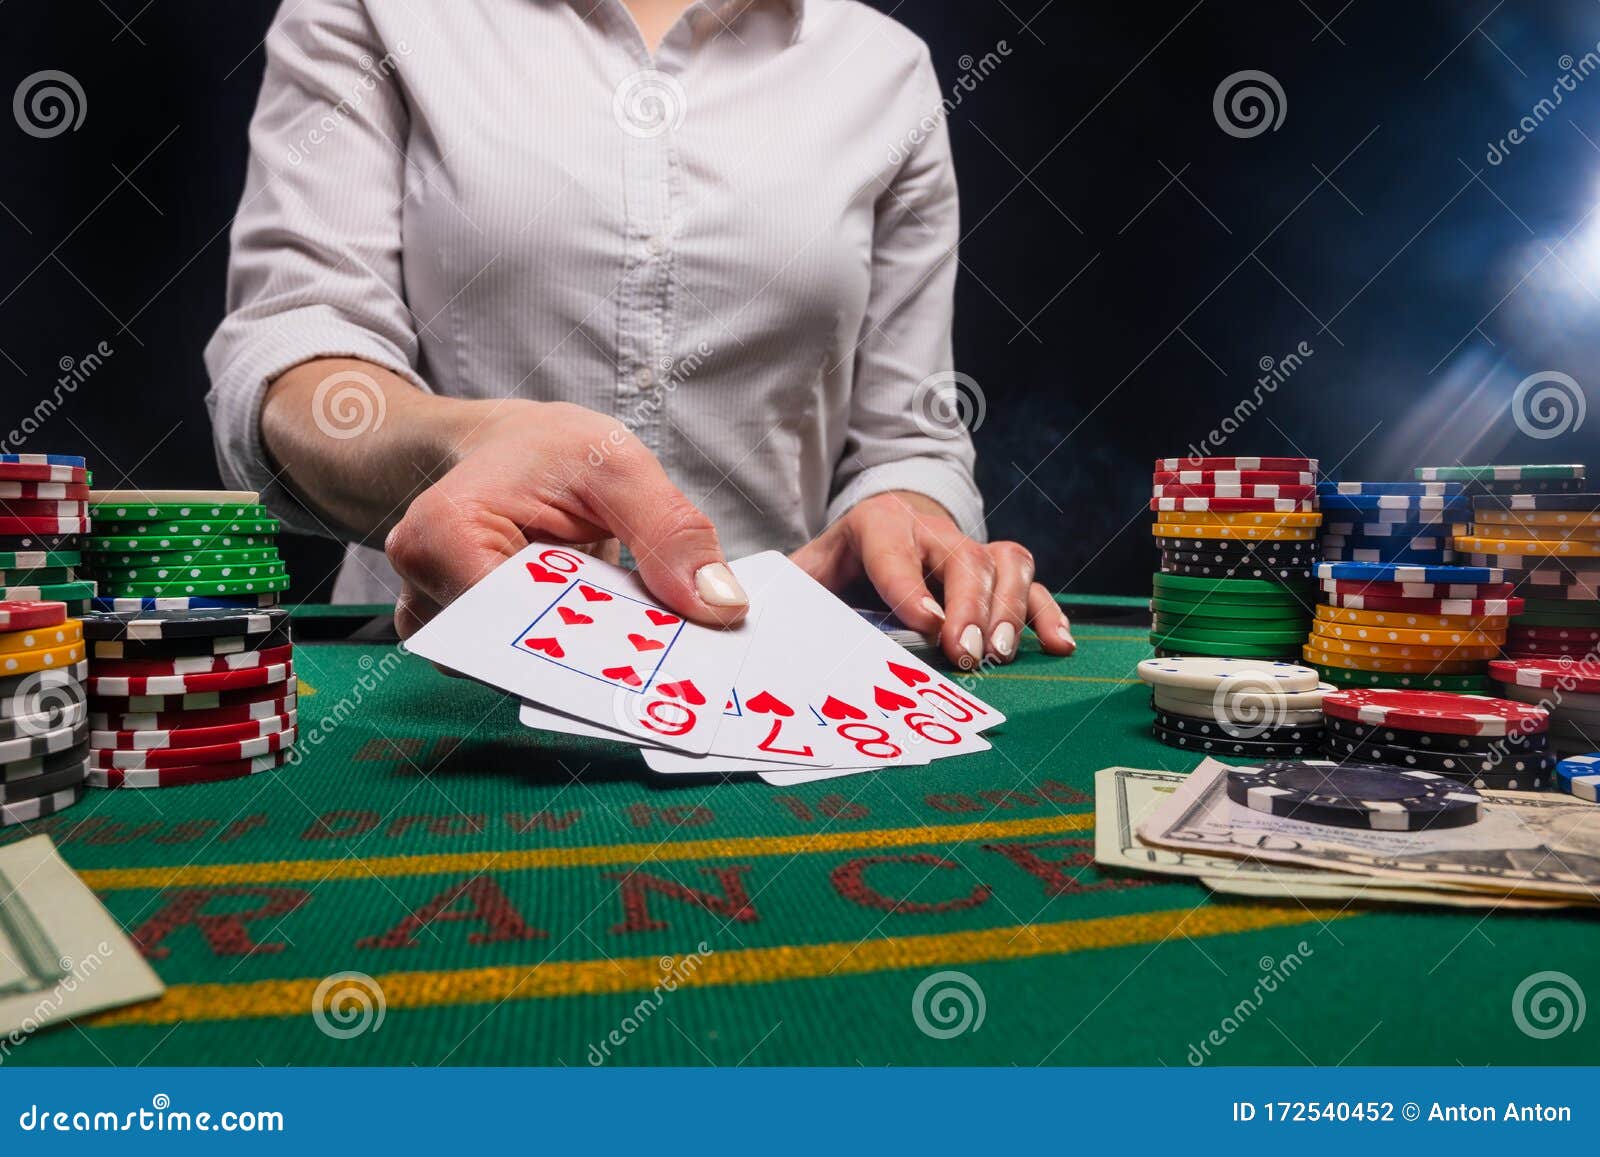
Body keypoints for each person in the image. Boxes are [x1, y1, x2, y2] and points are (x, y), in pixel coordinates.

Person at [206, 0, 1076, 669]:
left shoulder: (885, 70)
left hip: (768, 689)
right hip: (436, 682)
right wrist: (468, 445)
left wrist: (905, 518)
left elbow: (909, 438)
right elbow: (289, 354)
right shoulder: (375, 12)